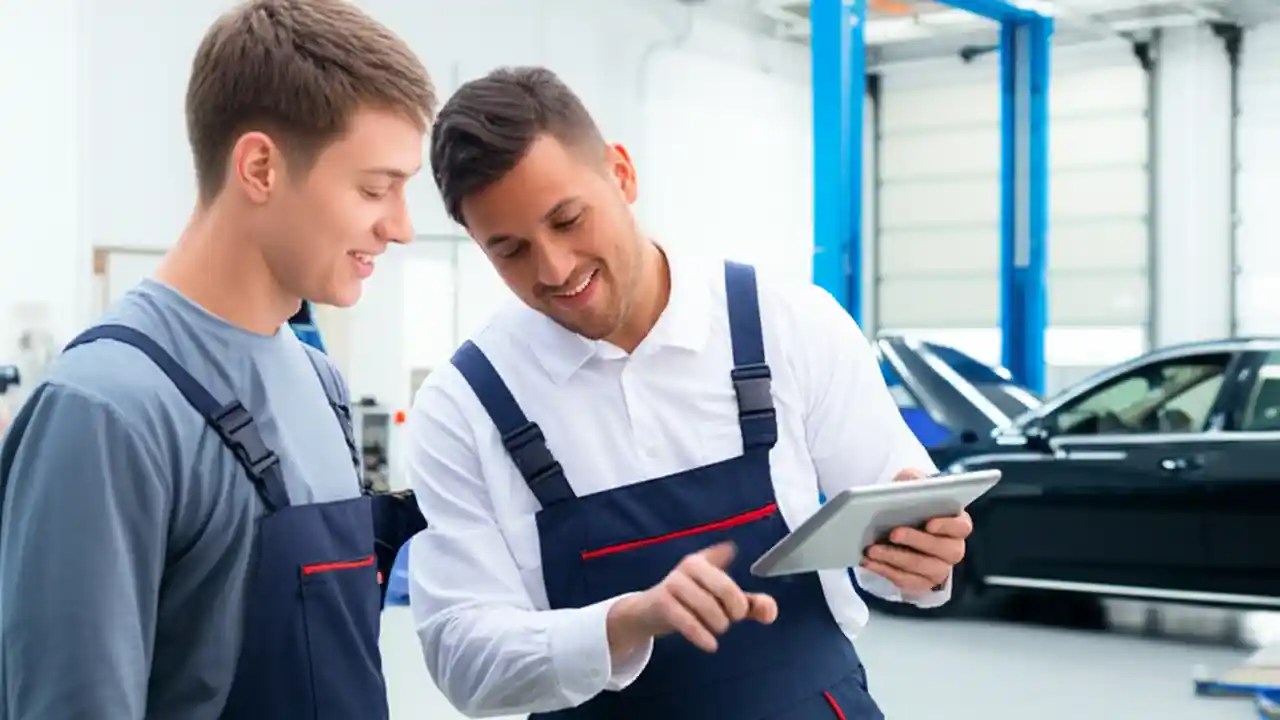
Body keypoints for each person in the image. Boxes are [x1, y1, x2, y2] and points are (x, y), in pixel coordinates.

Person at [406, 66, 974, 719]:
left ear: (621, 173)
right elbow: (464, 661)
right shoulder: (465, 405)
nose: (554, 270)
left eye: (567, 220)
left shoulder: (790, 323)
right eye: (509, 250)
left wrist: (924, 559)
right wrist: (625, 622)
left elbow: (897, 530)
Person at [0, 1, 433, 718]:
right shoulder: (105, 412)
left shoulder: (319, 382)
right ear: (260, 167)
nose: (401, 226)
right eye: (374, 187)